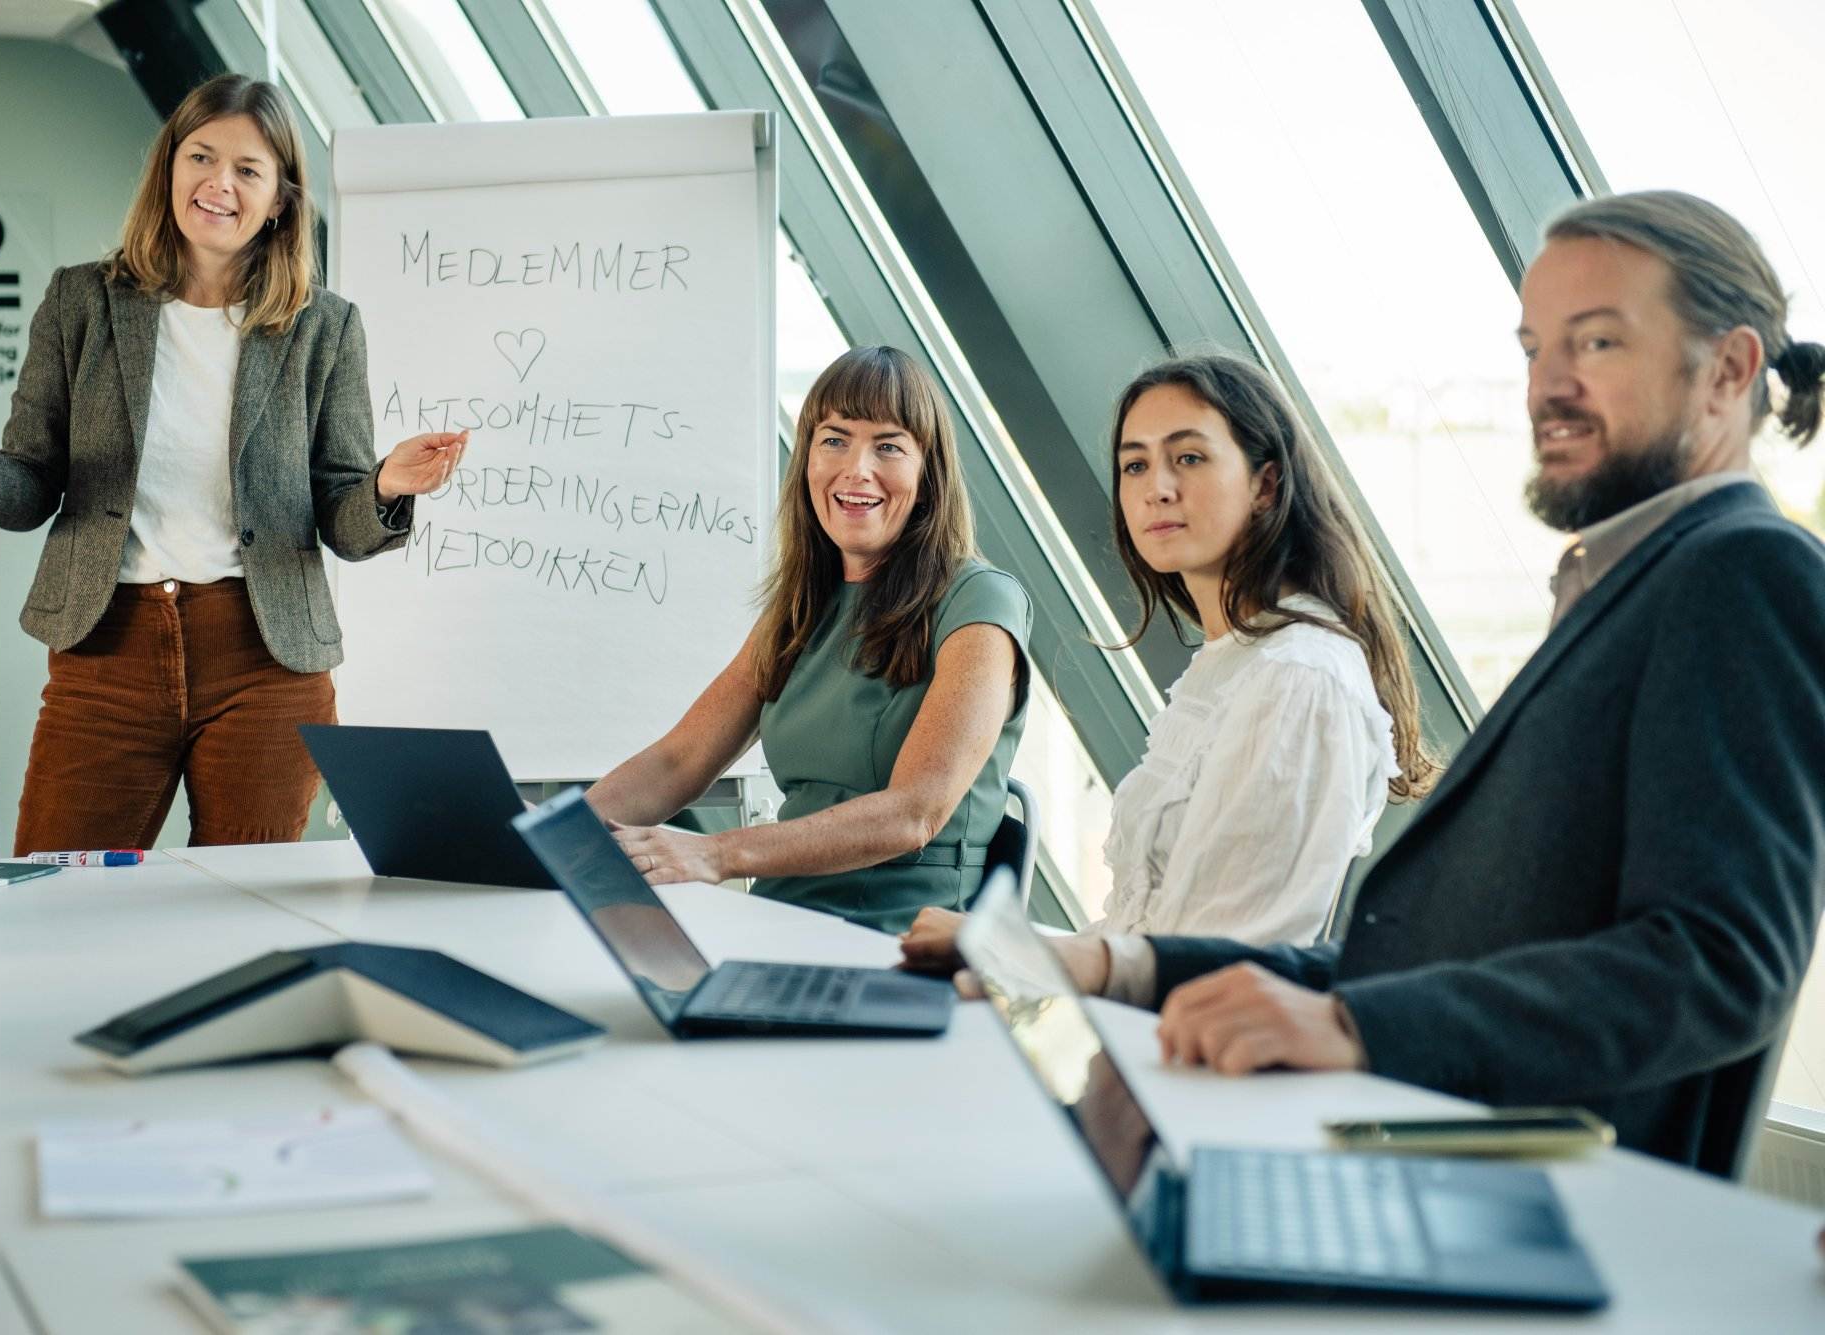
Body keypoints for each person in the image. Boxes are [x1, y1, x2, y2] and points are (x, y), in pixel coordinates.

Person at [978, 190, 1825, 1176]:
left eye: (1592, 344)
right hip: (1460, 1174)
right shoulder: (1625, 581)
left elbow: (1718, 966)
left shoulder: (1744, 572)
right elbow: (1432, 964)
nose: (1545, 386)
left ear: (1726, 371)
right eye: (1531, 348)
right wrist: (1124, 963)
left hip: (1549, 1204)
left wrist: (1353, 1027)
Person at [0, 75, 466, 853]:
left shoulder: (324, 328)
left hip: (265, 658)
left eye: (247, 170)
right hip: (107, 648)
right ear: (169, 167)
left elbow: (343, 518)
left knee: (247, 912)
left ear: (280, 200)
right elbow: (31, 485)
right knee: (61, 897)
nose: (218, 183)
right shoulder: (81, 303)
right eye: (200, 155)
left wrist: (387, 487)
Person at [900, 353, 1435, 969]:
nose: (1157, 487)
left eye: (1188, 457)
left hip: (1186, 1048)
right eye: (1135, 464)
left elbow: (1221, 961)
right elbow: (1149, 934)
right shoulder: (1232, 661)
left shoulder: (1298, 677)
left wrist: (997, 950)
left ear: (1265, 484)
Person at [587, 345, 1030, 934]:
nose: (857, 469)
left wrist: (713, 854)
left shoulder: (980, 603)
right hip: (781, 916)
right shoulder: (802, 607)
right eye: (835, 439)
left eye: (889, 446)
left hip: (900, 934)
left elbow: (914, 814)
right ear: (808, 461)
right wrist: (549, 837)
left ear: (928, 477)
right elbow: (679, 761)